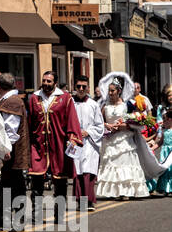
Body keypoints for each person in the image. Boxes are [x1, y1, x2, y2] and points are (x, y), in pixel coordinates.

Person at [26, 72, 83, 223]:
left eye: (49, 81)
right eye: (44, 80)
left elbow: (72, 120)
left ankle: (59, 214)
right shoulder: (34, 98)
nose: (46, 83)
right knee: (36, 181)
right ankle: (36, 214)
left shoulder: (65, 98)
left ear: (55, 83)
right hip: (38, 145)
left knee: (60, 182)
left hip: (58, 145)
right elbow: (29, 122)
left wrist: (73, 139)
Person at [95, 74, 149, 200]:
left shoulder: (127, 105)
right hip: (110, 139)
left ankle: (126, 191)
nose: (110, 93)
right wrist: (106, 125)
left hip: (124, 139)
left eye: (112, 90)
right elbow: (99, 122)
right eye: (109, 90)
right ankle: (114, 191)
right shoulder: (105, 106)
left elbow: (136, 122)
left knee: (125, 164)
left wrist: (123, 126)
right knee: (112, 164)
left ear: (119, 91)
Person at [0, 73, 29, 231]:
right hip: (11, 152)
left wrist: (5, 151)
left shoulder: (12, 102)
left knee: (15, 185)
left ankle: (18, 221)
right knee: (8, 186)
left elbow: (10, 131)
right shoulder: (12, 100)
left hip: (12, 153)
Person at [69, 76, 105, 211]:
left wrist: (88, 132)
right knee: (77, 171)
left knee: (88, 171)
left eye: (84, 86)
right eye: (78, 86)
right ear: (75, 87)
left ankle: (89, 201)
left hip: (89, 142)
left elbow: (99, 125)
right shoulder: (70, 103)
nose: (81, 89)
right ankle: (80, 201)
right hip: (75, 142)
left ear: (88, 88)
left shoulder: (93, 104)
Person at [147, 110, 172, 194]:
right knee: (165, 169)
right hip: (165, 152)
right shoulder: (164, 131)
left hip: (171, 152)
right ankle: (165, 188)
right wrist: (151, 149)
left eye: (164, 120)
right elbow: (160, 142)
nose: (163, 122)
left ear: (170, 120)